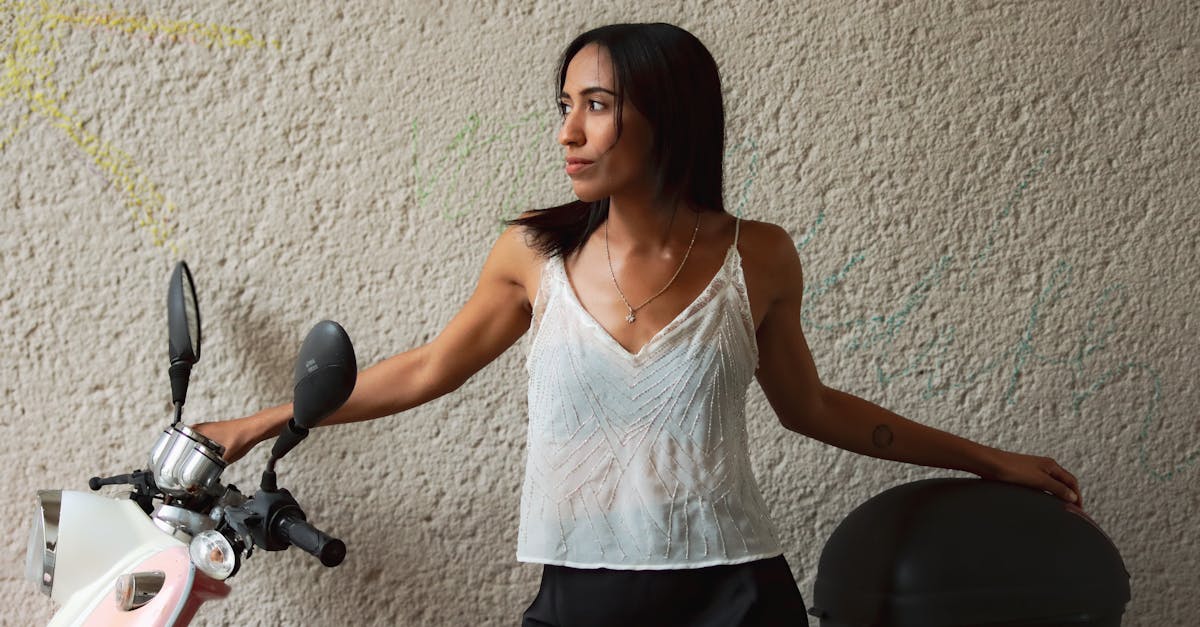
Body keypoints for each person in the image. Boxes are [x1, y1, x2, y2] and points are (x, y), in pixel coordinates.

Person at [195, 22, 1082, 626]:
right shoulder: (529, 253)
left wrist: (988, 458)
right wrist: (259, 422)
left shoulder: (759, 256)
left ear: (668, 117)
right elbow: (429, 368)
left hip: (735, 592)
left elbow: (813, 407)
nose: (569, 133)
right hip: (580, 592)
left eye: (598, 105)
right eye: (565, 106)